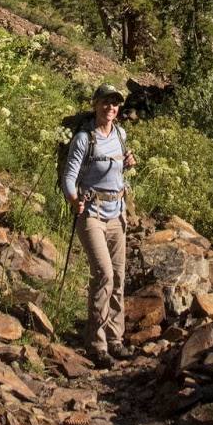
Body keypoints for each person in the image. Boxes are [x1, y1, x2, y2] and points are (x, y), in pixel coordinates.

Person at [61, 81, 137, 368]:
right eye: (105, 102)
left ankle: (115, 339)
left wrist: (128, 162)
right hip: (91, 213)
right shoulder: (84, 138)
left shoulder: (120, 134)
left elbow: (119, 168)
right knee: (104, 273)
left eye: (115, 103)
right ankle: (96, 344)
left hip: (117, 213)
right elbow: (70, 175)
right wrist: (73, 199)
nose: (111, 107)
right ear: (95, 104)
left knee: (118, 277)